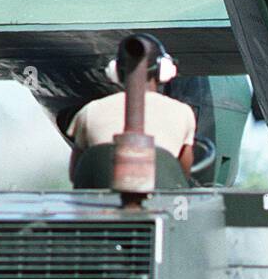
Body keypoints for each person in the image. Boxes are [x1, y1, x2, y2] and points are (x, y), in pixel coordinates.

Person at [67, 33, 196, 181]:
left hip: (103, 202)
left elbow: (76, 174)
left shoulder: (90, 111)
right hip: (162, 203)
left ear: (115, 71)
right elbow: (183, 175)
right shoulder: (183, 113)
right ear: (163, 70)